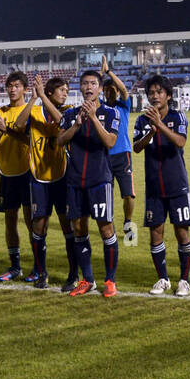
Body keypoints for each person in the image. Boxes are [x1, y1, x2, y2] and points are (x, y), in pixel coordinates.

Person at [55, 69, 122, 297]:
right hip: (74, 180)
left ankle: (110, 281)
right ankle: (88, 280)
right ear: (80, 87)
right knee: (79, 229)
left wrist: (93, 118)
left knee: (105, 228)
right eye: (85, 83)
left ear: (100, 88)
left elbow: (111, 142)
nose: (88, 87)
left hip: (99, 180)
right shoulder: (70, 114)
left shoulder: (111, 113)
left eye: (93, 83)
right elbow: (59, 140)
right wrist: (77, 124)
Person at [133, 74, 190, 296]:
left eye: (159, 92)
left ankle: (184, 281)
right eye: (151, 93)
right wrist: (151, 129)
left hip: (177, 184)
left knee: (181, 233)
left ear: (168, 95)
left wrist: (160, 125)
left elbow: (180, 142)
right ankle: (163, 279)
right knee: (156, 233)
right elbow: (137, 148)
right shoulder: (141, 120)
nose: (155, 96)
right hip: (154, 187)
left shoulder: (178, 117)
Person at [15, 75, 75, 290]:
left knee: (68, 227)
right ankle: (41, 272)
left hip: (62, 176)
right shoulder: (34, 111)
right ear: (50, 92)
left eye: (66, 90)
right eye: (61, 90)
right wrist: (33, 99)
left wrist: (42, 97)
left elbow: (63, 122)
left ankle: (73, 274)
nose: (65, 93)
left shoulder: (69, 109)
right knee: (38, 226)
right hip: (38, 178)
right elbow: (18, 125)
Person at [0, 71, 34, 282]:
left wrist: (6, 129)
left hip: (27, 172)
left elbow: (30, 141)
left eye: (17, 86)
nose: (12, 89)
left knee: (31, 221)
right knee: (10, 220)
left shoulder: (32, 111)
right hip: (7, 174)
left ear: (25, 89)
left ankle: (38, 265)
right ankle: (15, 266)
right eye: (9, 86)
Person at [99, 56, 137, 237]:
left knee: (128, 194)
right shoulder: (101, 109)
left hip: (123, 155)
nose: (110, 92)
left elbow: (123, 89)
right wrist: (100, 79)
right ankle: (110, 229)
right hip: (104, 156)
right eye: (106, 90)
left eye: (112, 89)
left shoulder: (124, 106)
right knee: (107, 194)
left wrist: (107, 72)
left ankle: (128, 224)